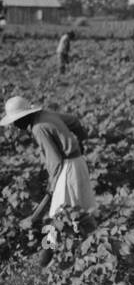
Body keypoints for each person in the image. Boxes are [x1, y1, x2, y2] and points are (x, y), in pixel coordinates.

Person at [1, 96, 98, 245]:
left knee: (58, 213)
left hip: (67, 166)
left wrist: (52, 186)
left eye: (16, 120)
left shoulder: (38, 128)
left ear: (24, 116)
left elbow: (55, 161)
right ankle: (92, 240)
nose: (15, 124)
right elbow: (74, 121)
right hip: (76, 161)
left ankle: (48, 254)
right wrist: (81, 141)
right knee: (78, 207)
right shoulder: (46, 115)